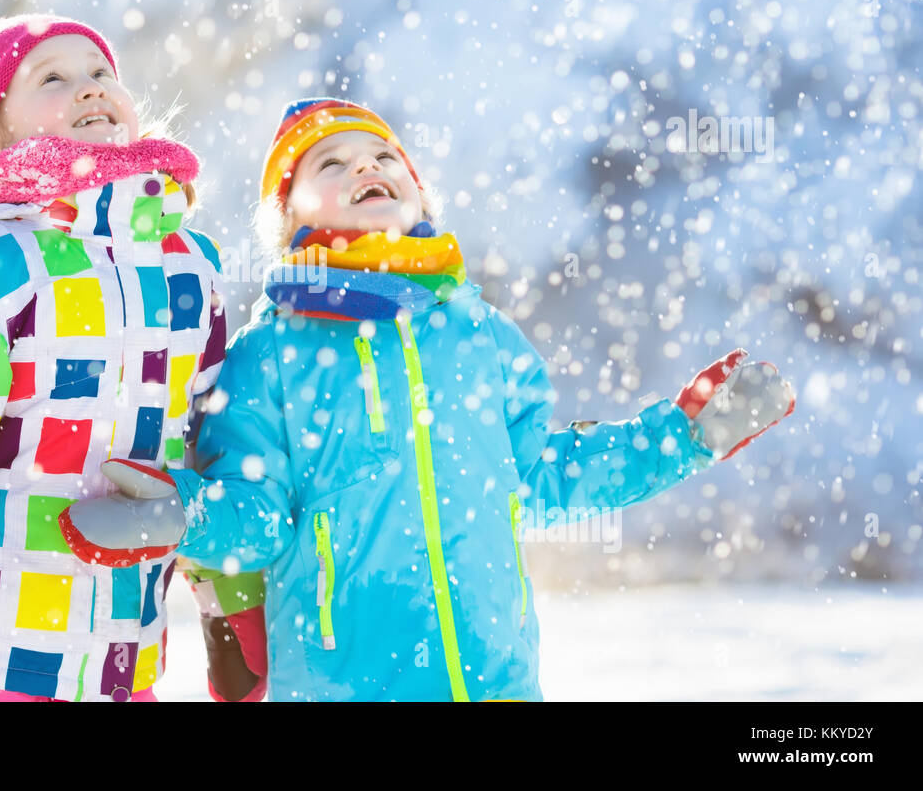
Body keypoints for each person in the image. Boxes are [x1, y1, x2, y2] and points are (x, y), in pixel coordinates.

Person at [58, 96, 797, 701]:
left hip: (496, 682)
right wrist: (180, 511)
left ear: (417, 193)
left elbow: (544, 478)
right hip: (344, 684)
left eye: (385, 159)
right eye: (333, 162)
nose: (367, 167)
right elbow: (258, 517)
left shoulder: (480, 333)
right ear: (289, 216)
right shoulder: (271, 354)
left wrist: (684, 436)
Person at [0, 12, 228, 701]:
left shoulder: (189, 268)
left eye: (100, 73)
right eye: (52, 78)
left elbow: (211, 438)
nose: (89, 89)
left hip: (121, 647)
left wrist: (227, 594)